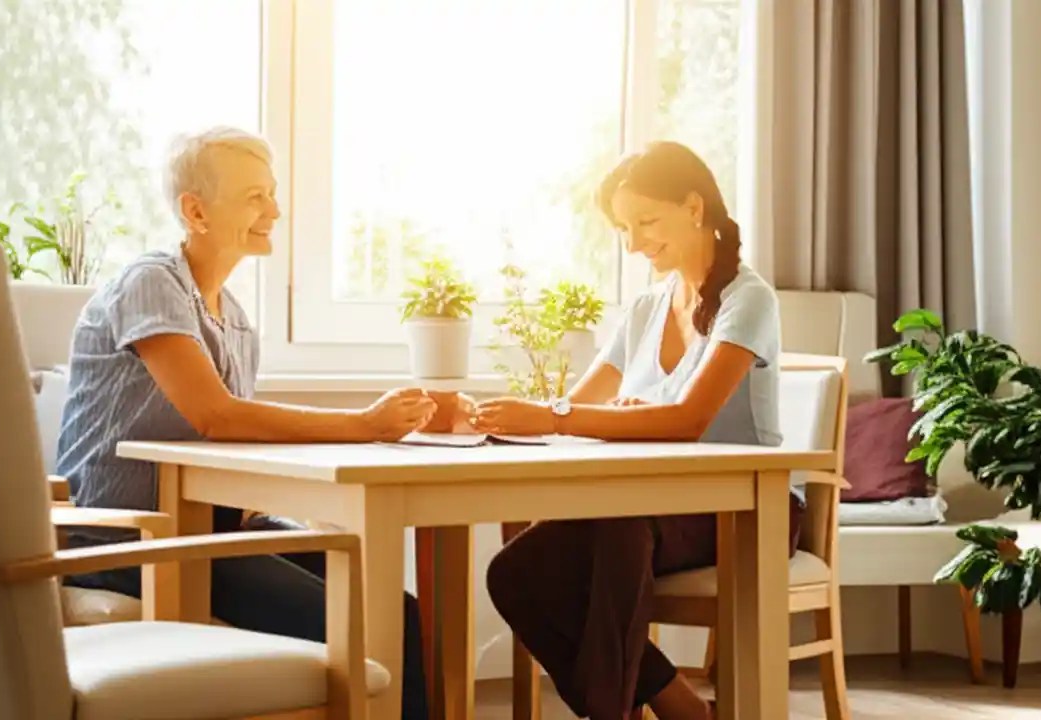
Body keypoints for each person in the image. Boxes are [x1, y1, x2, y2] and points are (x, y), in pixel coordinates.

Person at [56, 127, 434, 720]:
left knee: (399, 614)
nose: (276, 210)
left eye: (274, 193)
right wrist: (364, 424)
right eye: (256, 196)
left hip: (209, 534)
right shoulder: (151, 283)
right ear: (196, 211)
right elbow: (217, 416)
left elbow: (236, 433)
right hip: (127, 541)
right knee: (368, 628)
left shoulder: (232, 316)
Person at [474, 141, 803, 720]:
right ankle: (679, 706)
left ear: (694, 207)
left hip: (749, 511)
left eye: (646, 221)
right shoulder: (648, 307)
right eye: (626, 228)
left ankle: (615, 712)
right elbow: (576, 409)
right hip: (655, 505)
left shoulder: (748, 299)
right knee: (516, 573)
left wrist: (570, 417)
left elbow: (687, 420)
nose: (633, 243)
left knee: (619, 524)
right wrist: (489, 419)